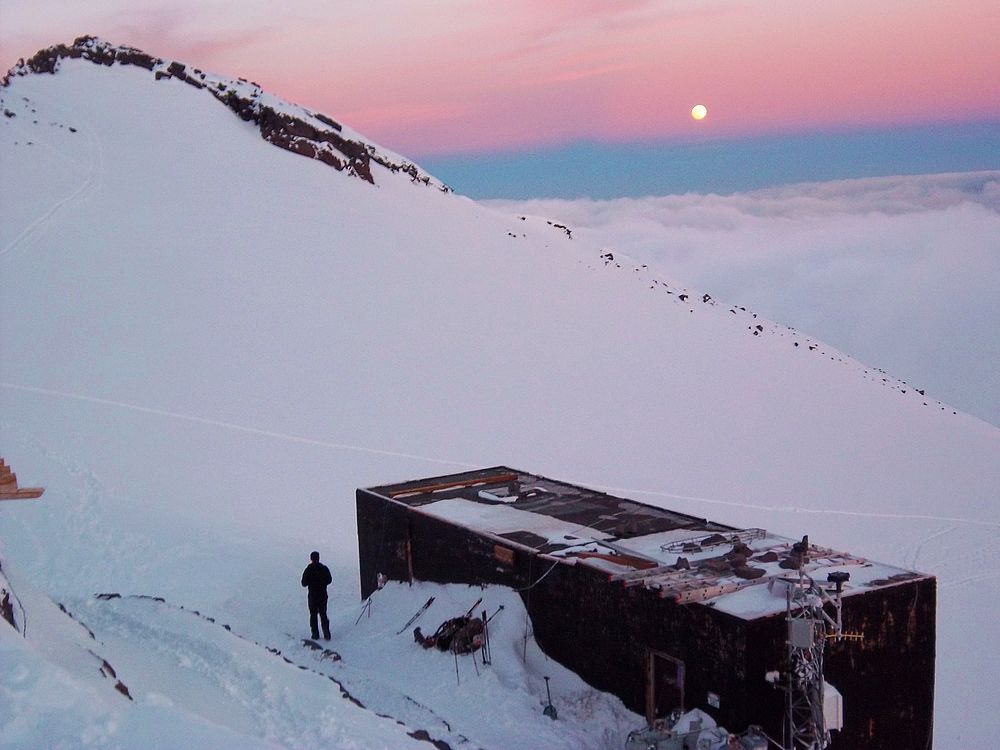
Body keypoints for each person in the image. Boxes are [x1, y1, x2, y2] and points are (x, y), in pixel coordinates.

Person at [301, 550, 332, 640]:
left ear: (311, 559)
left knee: (313, 615)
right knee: (323, 614)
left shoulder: (308, 569)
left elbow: (303, 583)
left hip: (312, 596)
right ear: (319, 558)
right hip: (322, 594)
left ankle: (315, 634)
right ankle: (326, 633)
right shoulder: (324, 568)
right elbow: (329, 580)